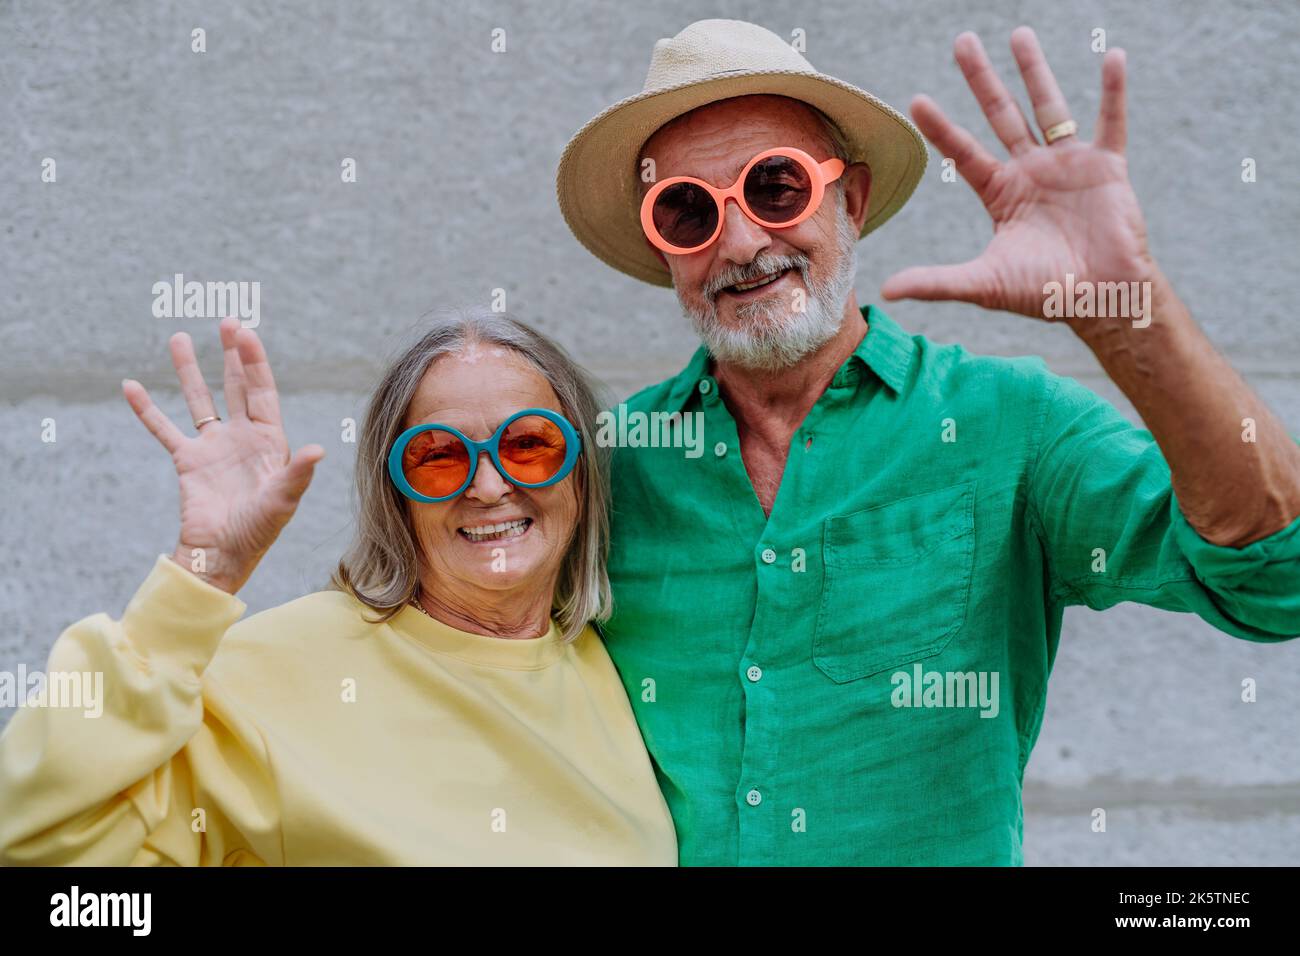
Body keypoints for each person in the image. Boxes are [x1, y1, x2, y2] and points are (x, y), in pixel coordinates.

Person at [555, 19, 1300, 865]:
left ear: (852, 200)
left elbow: (1278, 583)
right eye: (686, 210)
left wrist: (1131, 314)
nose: (741, 241)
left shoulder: (1008, 422)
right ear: (665, 249)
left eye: (776, 187)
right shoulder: (607, 470)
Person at [0, 309, 677, 866]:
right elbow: (37, 850)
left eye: (530, 446)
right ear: (396, 497)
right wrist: (199, 574)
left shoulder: (619, 665)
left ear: (581, 479)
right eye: (439, 457)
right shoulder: (267, 674)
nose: (490, 486)